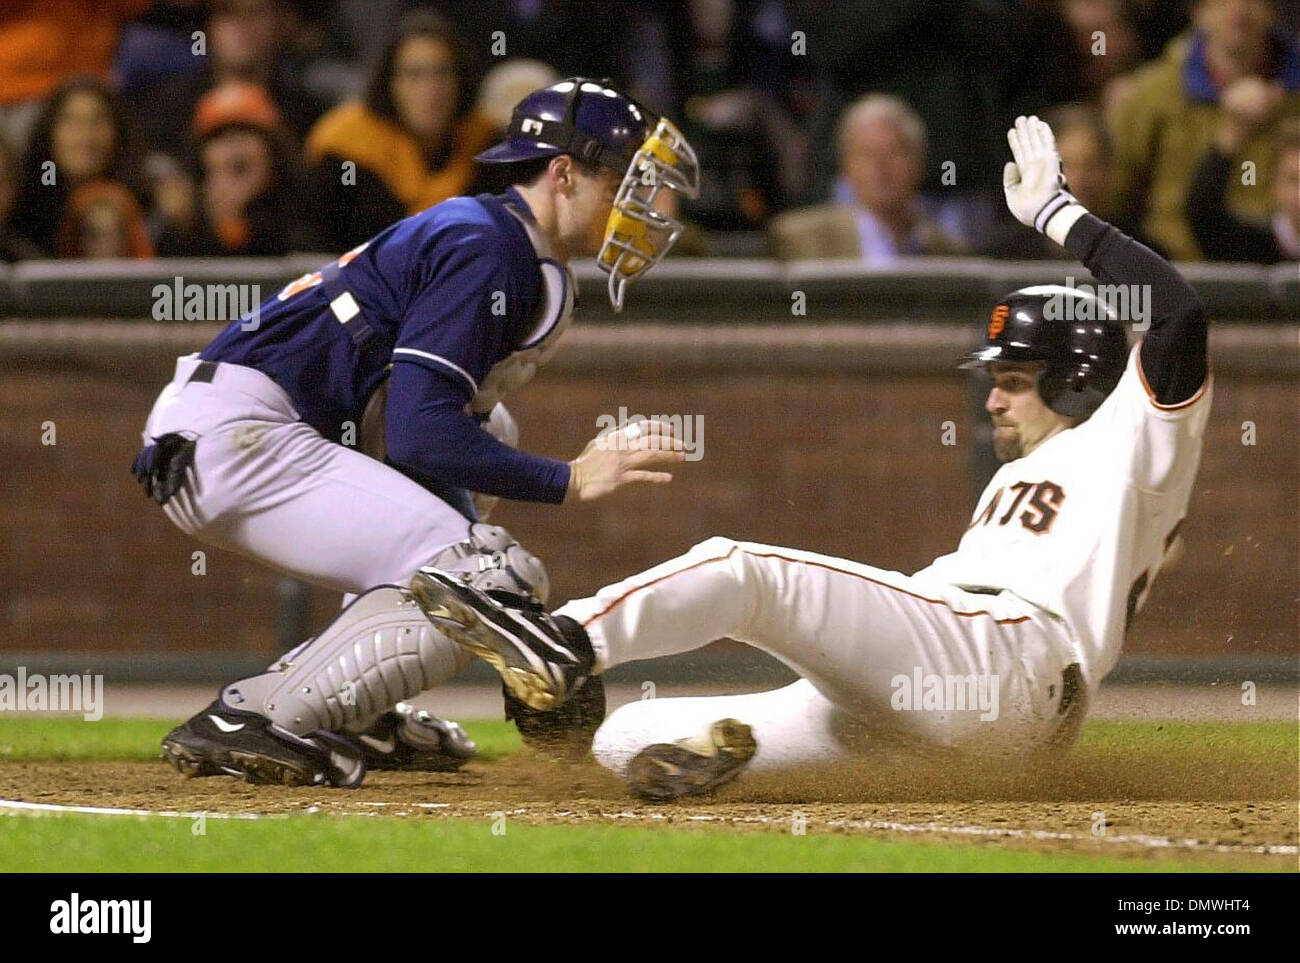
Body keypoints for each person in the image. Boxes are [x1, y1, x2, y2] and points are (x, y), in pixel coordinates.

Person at [414, 116, 1213, 801]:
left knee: (743, 569)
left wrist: (1061, 215)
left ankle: (565, 640)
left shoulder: (1129, 432)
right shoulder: (1036, 465)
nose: (994, 399)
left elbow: (1178, 314)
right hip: (960, 709)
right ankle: (731, 760)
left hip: (1005, 652)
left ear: (1077, 380)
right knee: (630, 734)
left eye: (1013, 379)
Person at [134, 78, 701, 787]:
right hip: (238, 438)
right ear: (563, 172)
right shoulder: (485, 245)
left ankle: (357, 711)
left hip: (256, 431)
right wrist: (569, 480)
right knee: (483, 575)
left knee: (487, 466)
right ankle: (254, 714)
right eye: (622, 178)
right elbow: (419, 435)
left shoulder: (506, 243)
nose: (639, 203)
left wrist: (514, 614)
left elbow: (434, 447)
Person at [1107, 0, 1300, 260]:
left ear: (1272, 10)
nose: (1238, 10)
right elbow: (1116, 197)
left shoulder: (1293, 96)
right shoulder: (1152, 95)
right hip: (1176, 268)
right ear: (1199, 11)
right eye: (1222, 2)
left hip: (1280, 266)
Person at [304, 12, 498, 252]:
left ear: (461, 80)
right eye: (414, 75)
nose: (430, 91)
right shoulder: (344, 153)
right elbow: (315, 251)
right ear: (390, 83)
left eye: (442, 73)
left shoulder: (489, 148)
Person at [769, 95, 964, 262]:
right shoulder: (799, 240)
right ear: (845, 166)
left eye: (893, 152)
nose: (880, 166)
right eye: (867, 154)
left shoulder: (949, 251)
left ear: (919, 163)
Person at [11, 78, 140, 257]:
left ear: (118, 131)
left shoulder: (144, 200)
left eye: (98, 121)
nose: (86, 135)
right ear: (49, 132)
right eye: (71, 121)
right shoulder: (23, 206)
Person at [1187, 107, 1300, 262]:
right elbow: (1203, 213)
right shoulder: (1249, 243)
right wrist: (1231, 135)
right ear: (1275, 185)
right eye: (1293, 180)